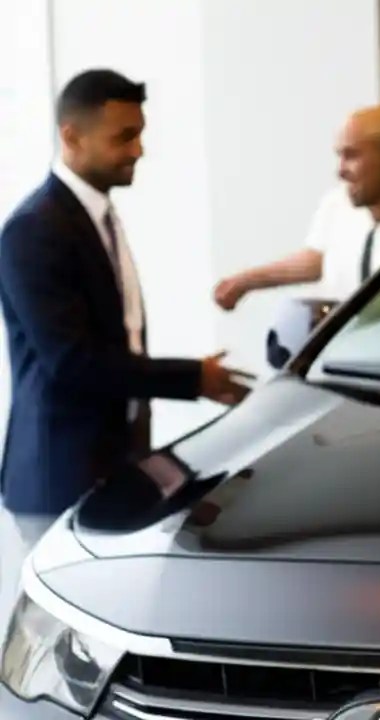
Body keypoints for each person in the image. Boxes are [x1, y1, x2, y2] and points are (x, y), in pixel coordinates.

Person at [0, 68, 246, 619]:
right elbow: (73, 362)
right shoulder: (34, 230)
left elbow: (120, 336)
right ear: (71, 136)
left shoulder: (98, 217)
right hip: (58, 471)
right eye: (123, 137)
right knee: (50, 636)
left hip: (112, 460)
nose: (138, 149)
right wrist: (193, 378)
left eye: (139, 133)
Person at [213, 103, 380, 309]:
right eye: (340, 156)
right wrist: (243, 282)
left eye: (352, 156)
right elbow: (316, 260)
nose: (340, 171)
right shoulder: (337, 204)